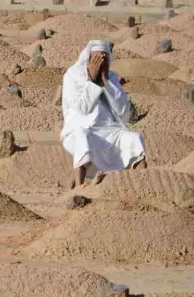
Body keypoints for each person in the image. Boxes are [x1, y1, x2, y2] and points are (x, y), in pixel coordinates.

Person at [61, 40, 146, 188]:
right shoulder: (73, 75)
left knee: (134, 138)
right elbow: (82, 108)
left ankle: (144, 182)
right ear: (88, 58)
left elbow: (123, 111)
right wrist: (92, 82)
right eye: (95, 59)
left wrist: (106, 82)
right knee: (83, 137)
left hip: (110, 129)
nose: (99, 62)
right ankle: (80, 186)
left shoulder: (111, 77)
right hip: (82, 127)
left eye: (103, 59)